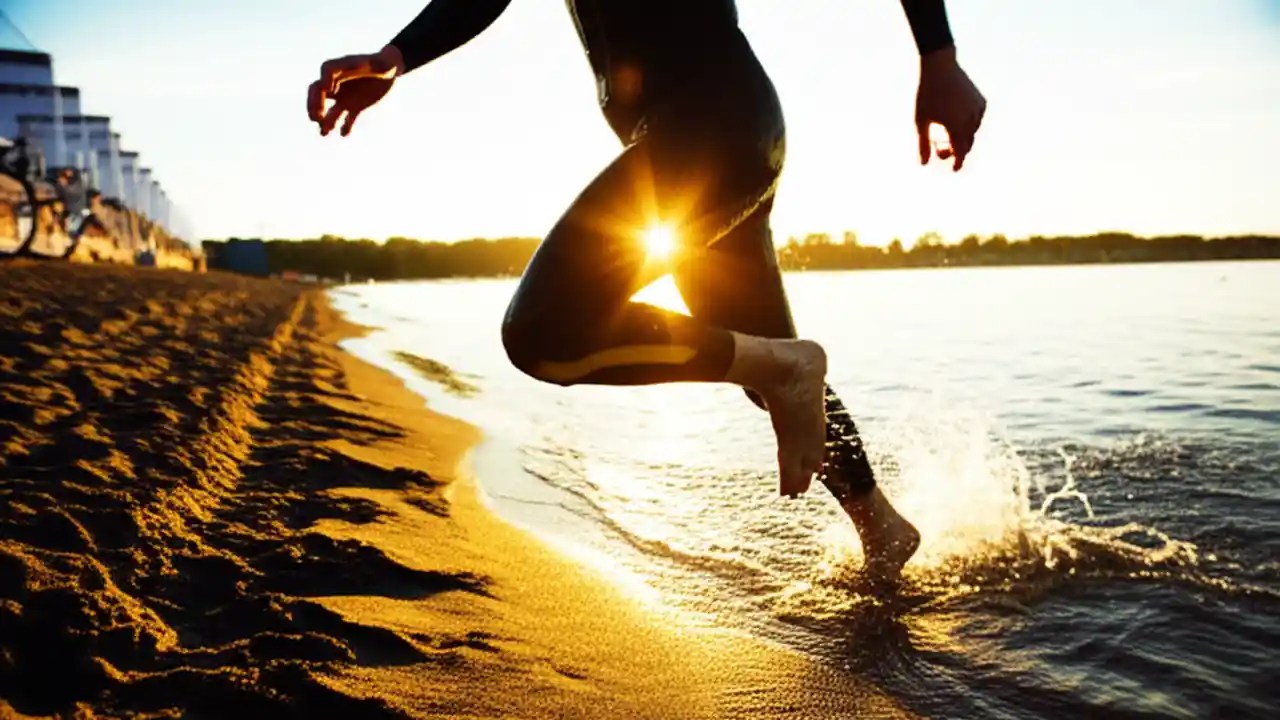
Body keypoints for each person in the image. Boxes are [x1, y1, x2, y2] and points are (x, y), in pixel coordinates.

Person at [306, 0, 986, 584]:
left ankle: (793, 374)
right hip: (714, 137)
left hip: (714, 132)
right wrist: (397, 55)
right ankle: (882, 528)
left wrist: (938, 58)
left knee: (544, 333)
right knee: (762, 364)